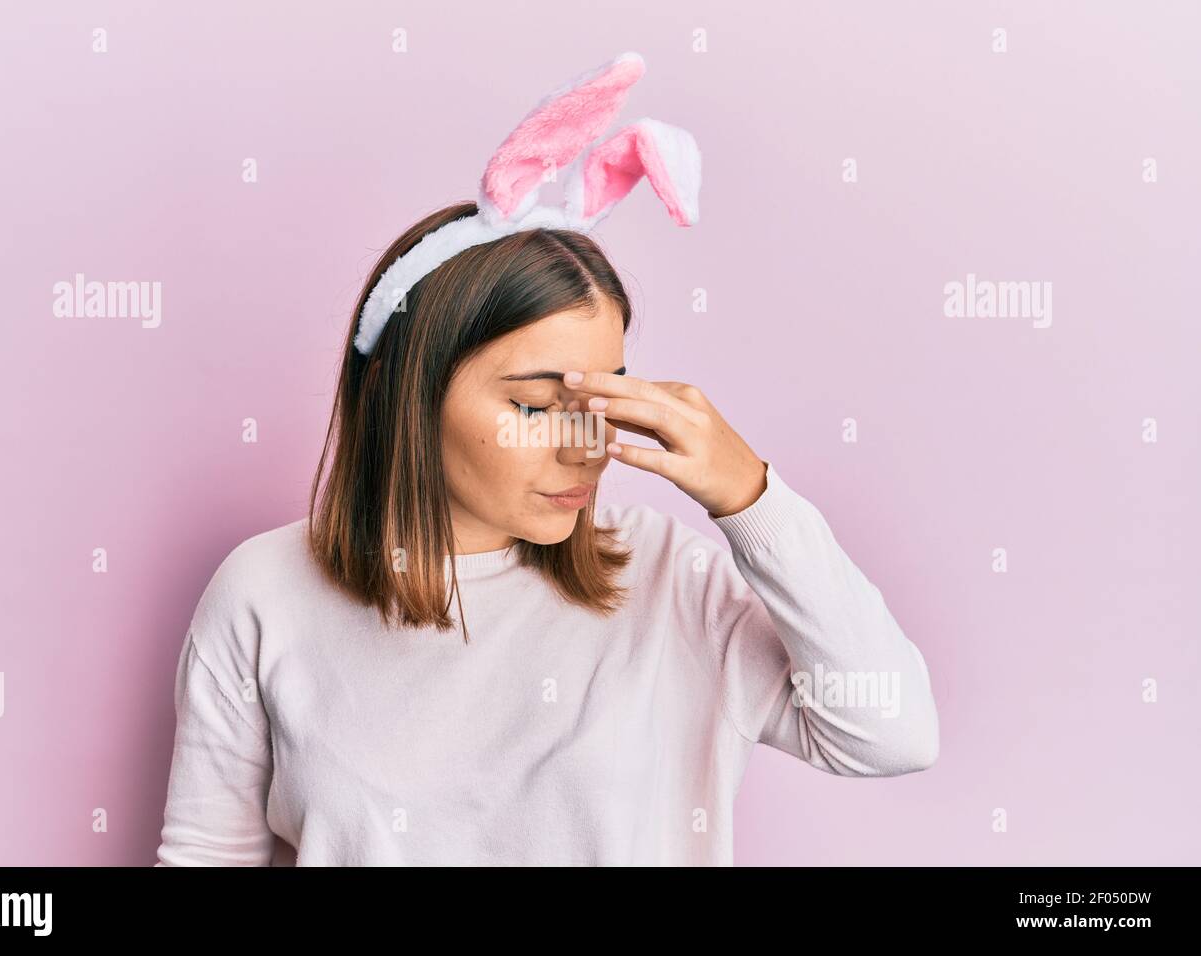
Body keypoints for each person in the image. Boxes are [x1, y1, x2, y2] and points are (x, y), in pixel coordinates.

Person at [154, 52, 939, 867]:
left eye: (600, 400)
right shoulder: (264, 594)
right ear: (401, 390)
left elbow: (892, 735)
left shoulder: (667, 579)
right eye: (533, 406)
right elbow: (207, 856)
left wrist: (752, 498)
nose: (584, 445)